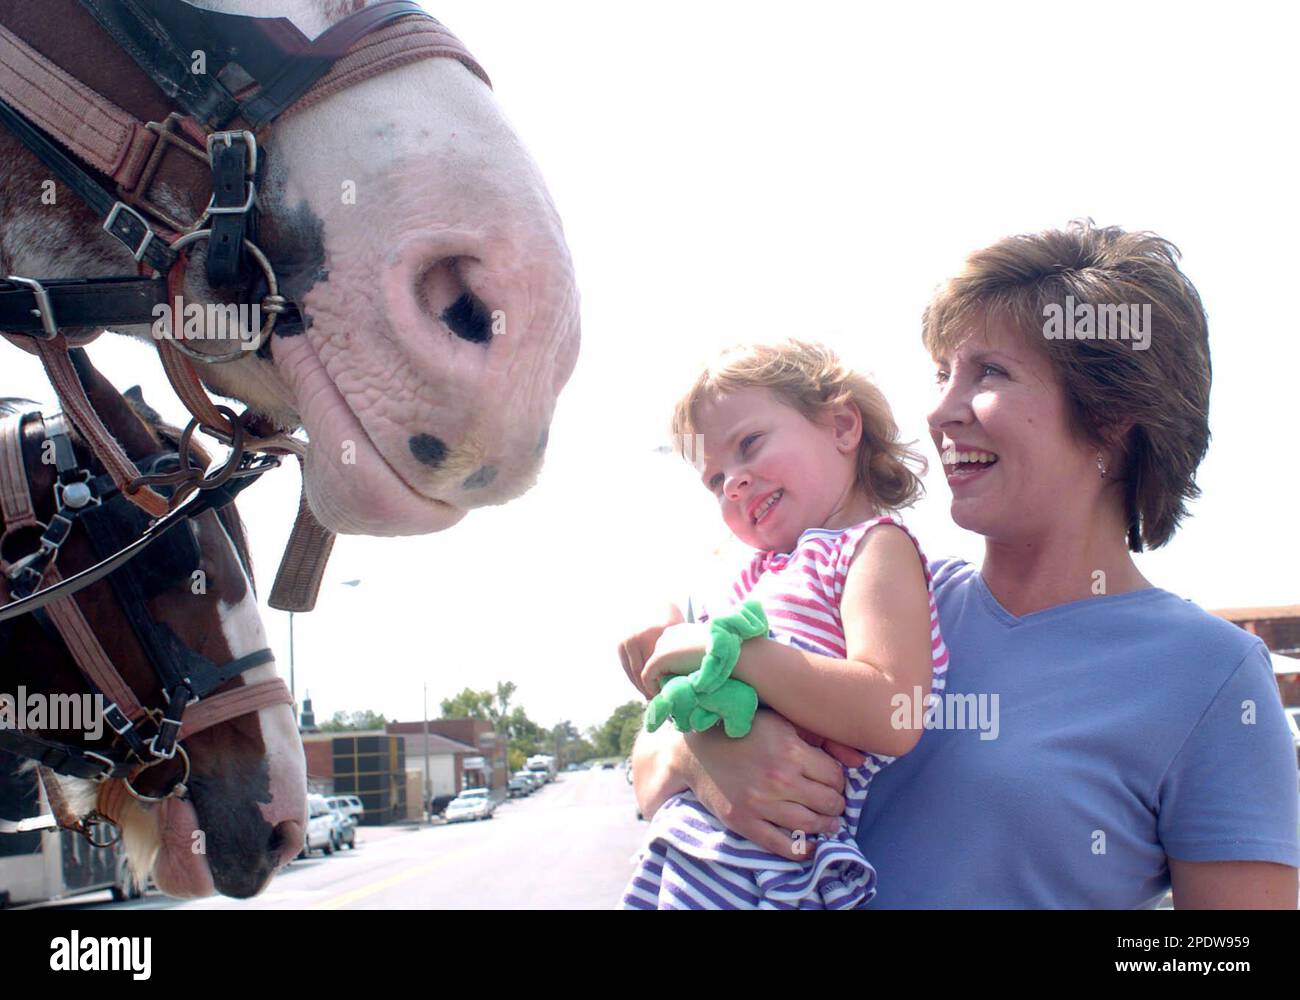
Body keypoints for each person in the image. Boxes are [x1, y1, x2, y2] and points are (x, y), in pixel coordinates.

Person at [629, 221, 1300, 908]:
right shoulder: (887, 607)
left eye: (989, 372)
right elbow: (649, 762)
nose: (941, 410)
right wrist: (700, 755)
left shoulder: (1212, 676)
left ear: (1113, 415)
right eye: (943, 374)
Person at [617, 339, 947, 909]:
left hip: (776, 874)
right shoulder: (761, 574)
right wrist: (666, 624)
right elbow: (677, 713)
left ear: (843, 427)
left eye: (749, 445)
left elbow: (898, 711)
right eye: (716, 481)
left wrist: (737, 656)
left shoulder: (873, 548)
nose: (735, 483)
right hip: (687, 857)